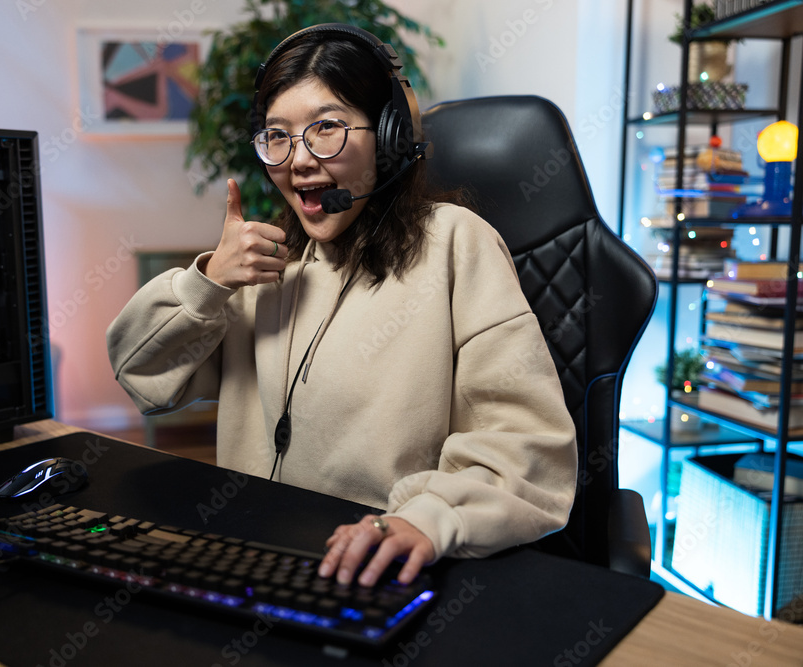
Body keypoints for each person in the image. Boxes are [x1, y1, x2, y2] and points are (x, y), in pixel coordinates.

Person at [107, 24, 577, 588]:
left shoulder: (455, 244)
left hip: (389, 565)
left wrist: (426, 521)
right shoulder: (264, 266)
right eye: (277, 136)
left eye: (325, 127)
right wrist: (208, 282)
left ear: (388, 136)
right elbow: (142, 376)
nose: (299, 160)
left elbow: (525, 442)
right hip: (257, 558)